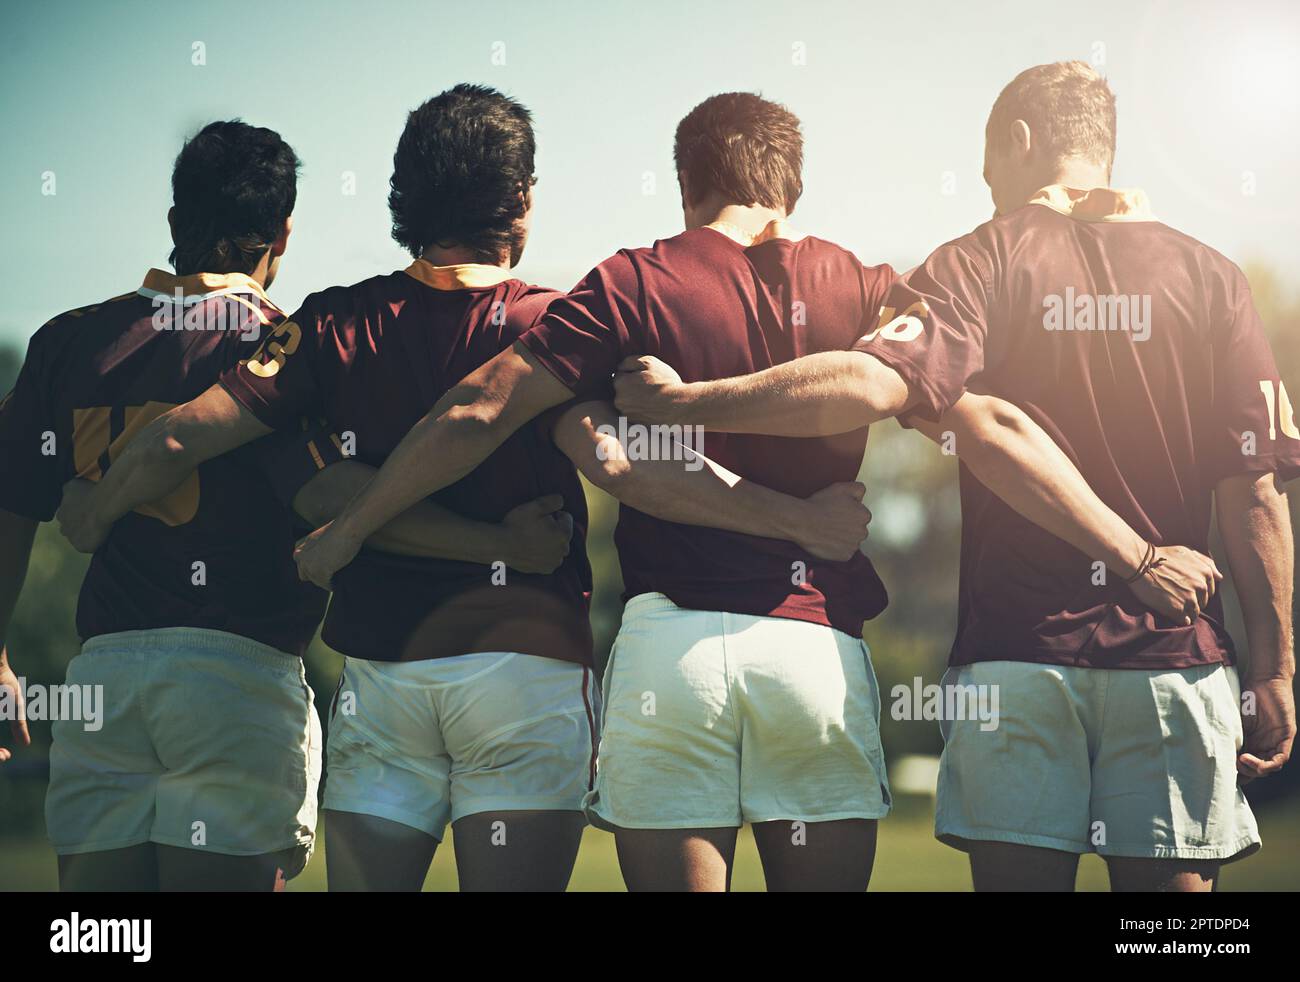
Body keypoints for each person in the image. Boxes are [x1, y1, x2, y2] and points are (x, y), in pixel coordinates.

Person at [283, 91, 1215, 892]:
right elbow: (996, 427)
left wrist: (352, 526)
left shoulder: (630, 281)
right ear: (791, 187)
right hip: (812, 646)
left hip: (670, 653)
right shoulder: (865, 283)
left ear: (688, 185)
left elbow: (488, 410)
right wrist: (1131, 552)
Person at [54, 86, 876, 891]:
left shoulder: (332, 321)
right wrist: (793, 517)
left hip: (383, 668)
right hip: (524, 667)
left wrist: (95, 508)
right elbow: (620, 463)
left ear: (402, 194)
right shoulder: (548, 319)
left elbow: (198, 443)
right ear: (520, 201)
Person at [612, 62, 1297, 892]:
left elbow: (876, 384)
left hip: (1019, 655)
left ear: (1017, 141)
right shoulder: (1214, 277)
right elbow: (1256, 492)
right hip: (1172, 656)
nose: (987, 189)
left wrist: (682, 405)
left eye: (987, 169)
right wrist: (1272, 669)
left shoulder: (979, 258)